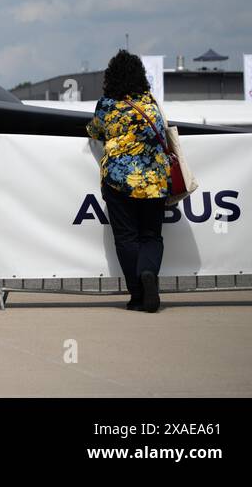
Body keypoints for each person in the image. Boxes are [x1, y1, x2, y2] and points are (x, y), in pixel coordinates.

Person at [86, 49, 171, 313]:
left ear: (111, 78)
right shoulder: (149, 103)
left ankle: (137, 294)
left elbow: (95, 131)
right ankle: (148, 273)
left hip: (118, 179)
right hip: (153, 180)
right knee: (151, 236)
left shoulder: (107, 105)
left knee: (125, 238)